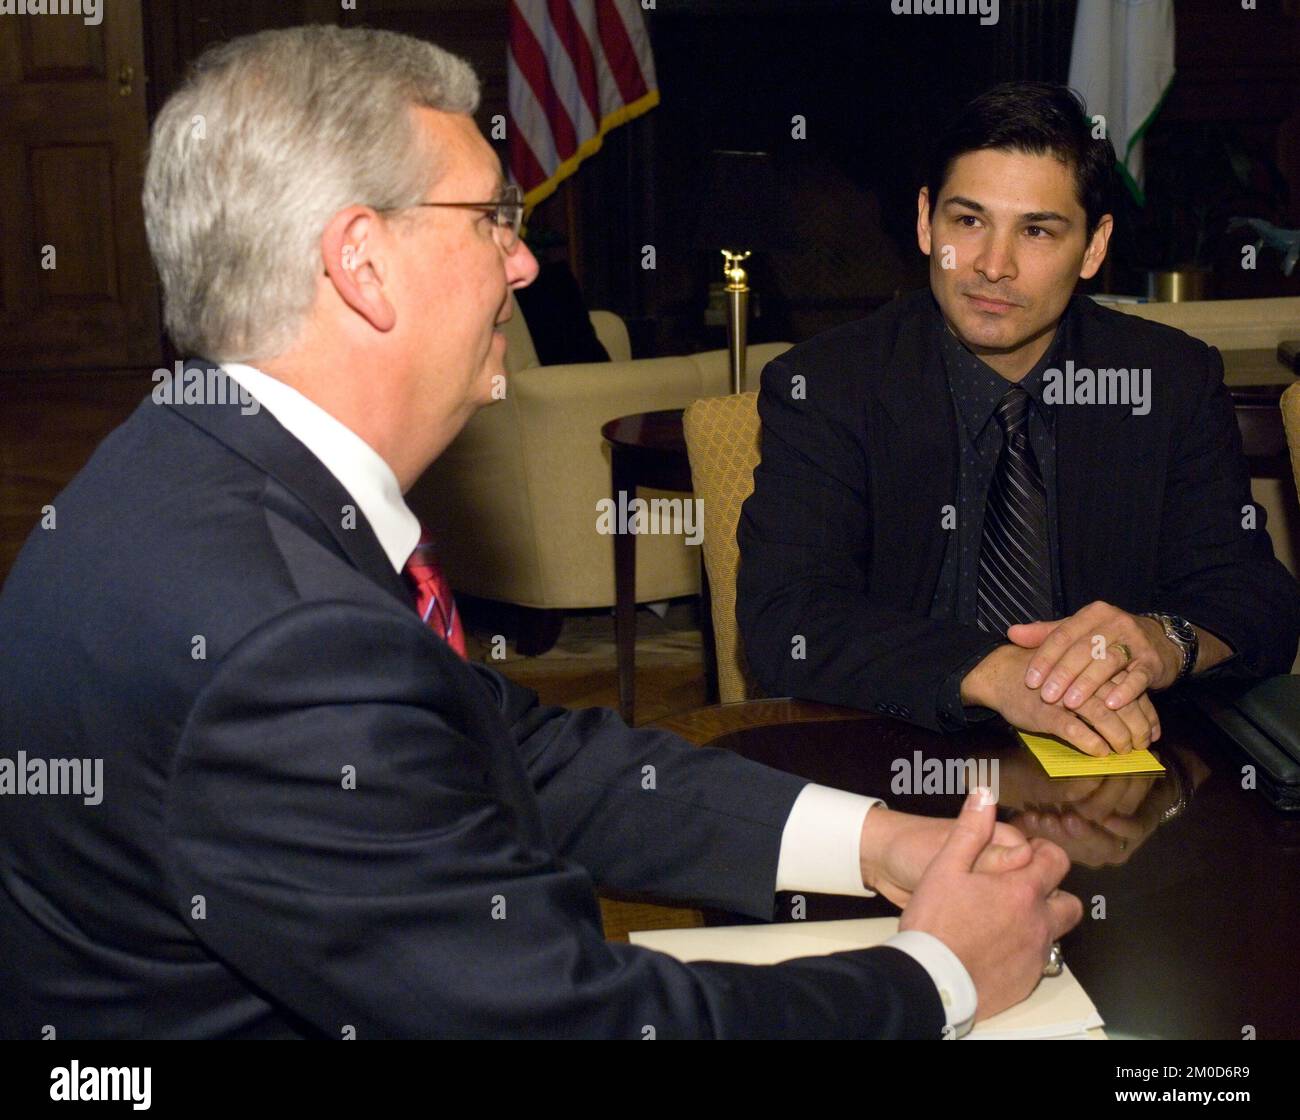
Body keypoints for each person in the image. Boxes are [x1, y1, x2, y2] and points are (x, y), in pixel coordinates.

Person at [0, 28, 1080, 1040]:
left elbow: (511, 752)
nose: (521, 265)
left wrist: (877, 838)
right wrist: (937, 969)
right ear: (361, 262)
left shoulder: (189, 457)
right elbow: (571, 1024)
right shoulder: (279, 638)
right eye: (491, 219)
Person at [737, 81, 1300, 757]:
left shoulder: (1167, 379)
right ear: (925, 222)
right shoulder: (830, 385)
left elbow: (1254, 597)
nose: (992, 266)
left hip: (1115, 770)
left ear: (1093, 248)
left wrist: (1160, 641)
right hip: (893, 760)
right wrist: (996, 672)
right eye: (967, 221)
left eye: (1036, 231)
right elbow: (787, 622)